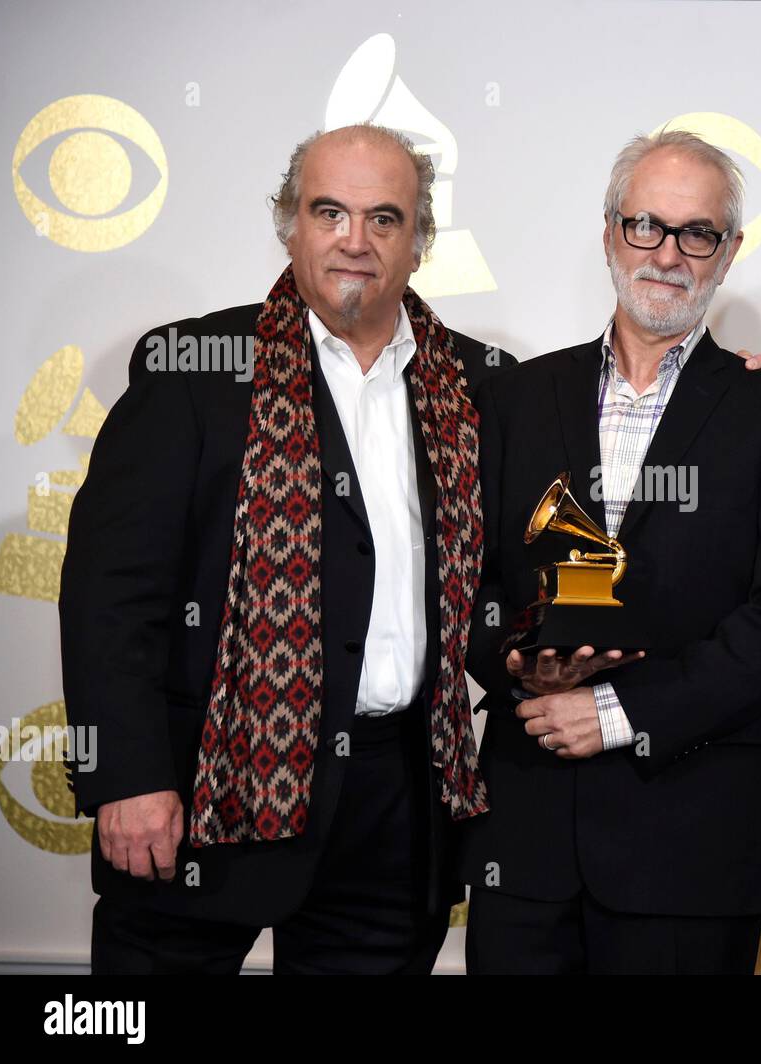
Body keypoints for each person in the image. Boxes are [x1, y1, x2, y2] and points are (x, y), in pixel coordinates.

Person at [59, 123, 513, 973]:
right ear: (289, 224)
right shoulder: (194, 367)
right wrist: (125, 776)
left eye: (385, 219)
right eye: (328, 211)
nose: (355, 240)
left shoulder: (481, 382)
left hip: (397, 803)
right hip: (203, 791)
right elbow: (110, 594)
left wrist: (734, 385)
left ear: (418, 242)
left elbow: (538, 543)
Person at [459, 130, 761, 974]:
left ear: (728, 252)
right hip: (525, 838)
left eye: (697, 233)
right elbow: (464, 585)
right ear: (608, 233)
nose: (668, 254)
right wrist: (515, 662)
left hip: (691, 847)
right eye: (645, 226)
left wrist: (619, 714)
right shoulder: (512, 399)